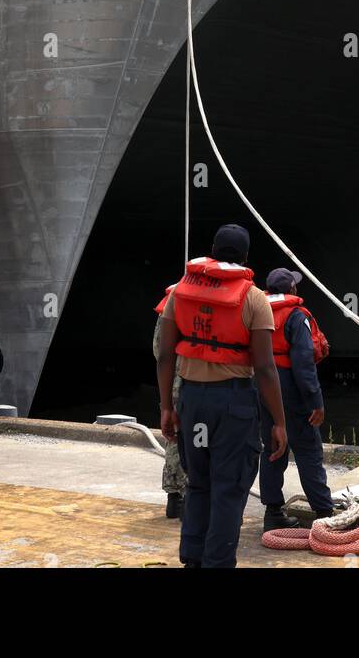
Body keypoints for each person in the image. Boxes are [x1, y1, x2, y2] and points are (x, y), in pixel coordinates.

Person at [157, 223, 287, 568]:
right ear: (245, 257)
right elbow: (265, 368)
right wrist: (278, 422)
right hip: (233, 405)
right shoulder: (253, 297)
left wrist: (166, 408)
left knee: (199, 484)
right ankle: (218, 563)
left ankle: (193, 560)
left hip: (191, 400)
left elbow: (166, 355)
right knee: (229, 490)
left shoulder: (180, 293)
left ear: (212, 250)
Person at [258, 268, 335, 530]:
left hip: (261, 387)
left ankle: (272, 512)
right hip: (290, 388)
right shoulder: (296, 317)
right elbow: (303, 363)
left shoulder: (256, 312)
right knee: (308, 450)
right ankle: (324, 512)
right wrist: (316, 401)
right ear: (292, 290)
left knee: (271, 449)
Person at [153, 282, 187, 517]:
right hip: (192, 380)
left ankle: (173, 498)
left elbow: (159, 349)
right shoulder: (199, 305)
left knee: (173, 439)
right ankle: (188, 495)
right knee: (195, 439)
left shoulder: (170, 305)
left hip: (173, 379)